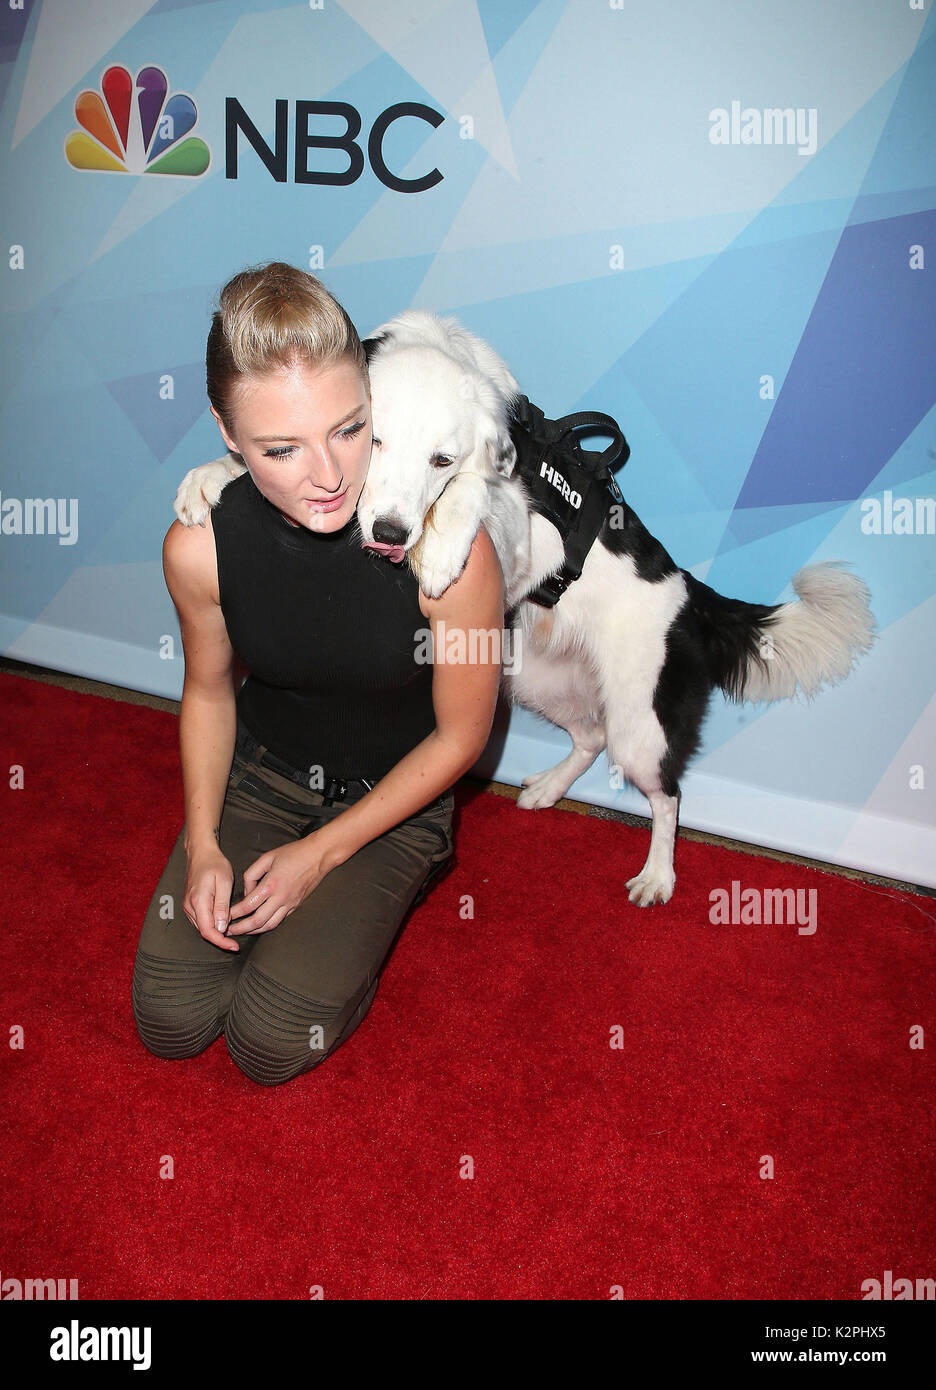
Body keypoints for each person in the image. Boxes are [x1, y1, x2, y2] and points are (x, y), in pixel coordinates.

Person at [131, 262, 504, 1086]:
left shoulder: (457, 558)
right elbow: (205, 692)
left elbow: (464, 737)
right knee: (171, 1020)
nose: (330, 477)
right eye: (280, 448)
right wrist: (202, 846)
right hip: (262, 781)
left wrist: (324, 855)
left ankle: (364, 913)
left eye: (348, 429)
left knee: (269, 1042)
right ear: (229, 439)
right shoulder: (198, 548)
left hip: (394, 803)